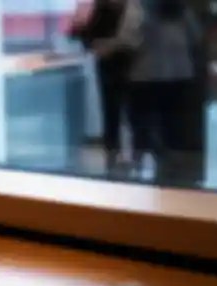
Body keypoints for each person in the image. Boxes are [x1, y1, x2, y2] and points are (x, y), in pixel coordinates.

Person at [97, 0, 202, 185]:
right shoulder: (181, 8)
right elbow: (196, 36)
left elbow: (129, 39)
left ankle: (147, 172)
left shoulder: (139, 6)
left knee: (144, 129)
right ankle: (175, 175)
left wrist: (105, 48)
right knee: (172, 128)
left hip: (146, 75)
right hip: (180, 74)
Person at [72, 0, 133, 174]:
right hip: (114, 65)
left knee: (122, 112)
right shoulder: (104, 8)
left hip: (122, 64)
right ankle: (116, 154)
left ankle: (122, 154)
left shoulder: (122, 8)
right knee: (114, 112)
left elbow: (87, 37)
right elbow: (83, 36)